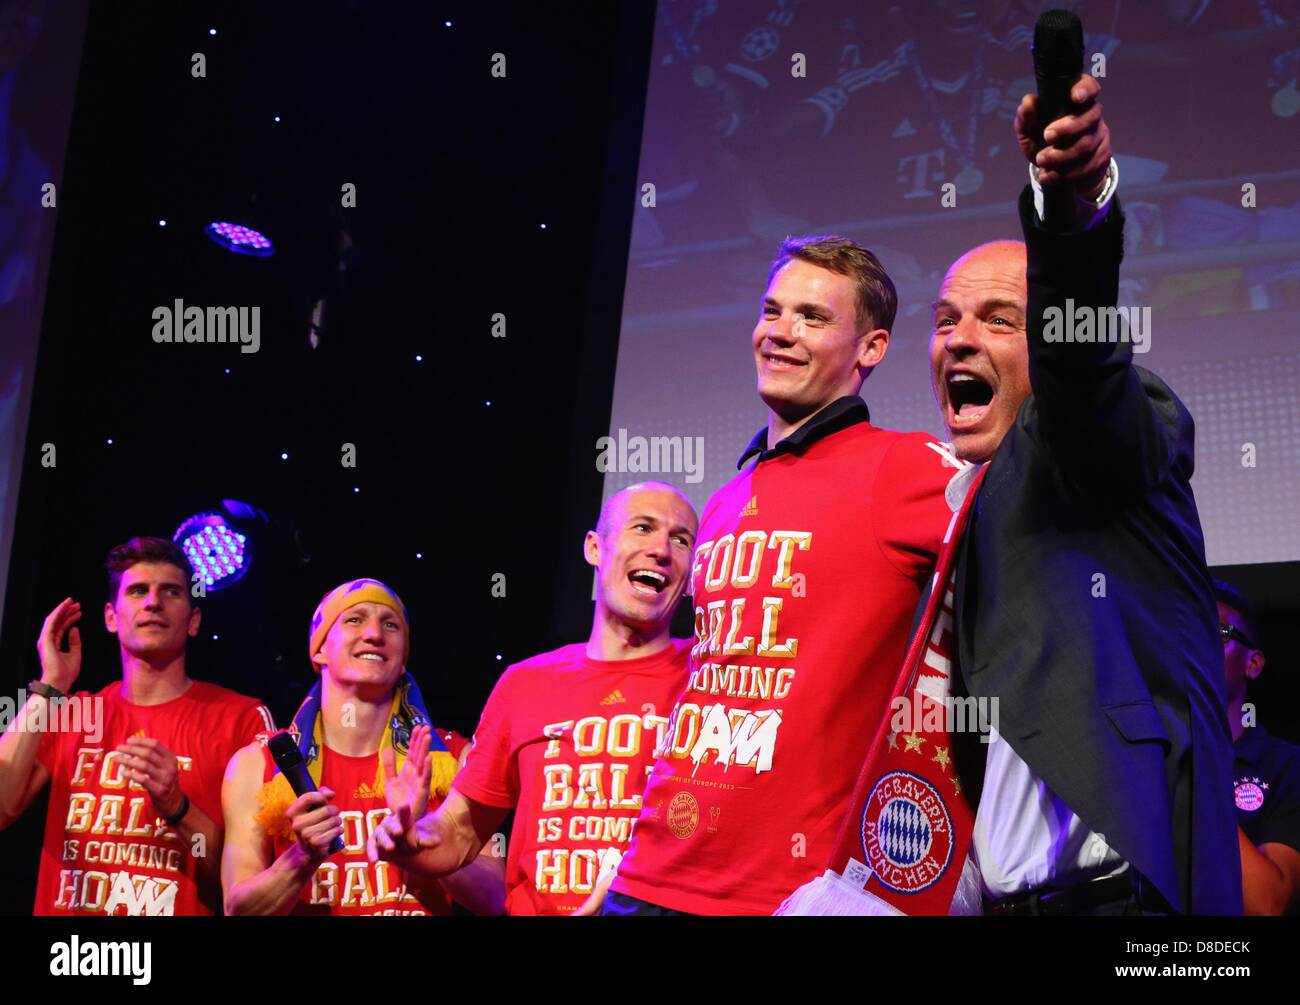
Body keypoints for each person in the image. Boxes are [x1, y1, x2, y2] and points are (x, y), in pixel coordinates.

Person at [924, 72, 1241, 914]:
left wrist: (1071, 219)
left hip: (1132, 900)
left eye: (999, 318)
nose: (960, 337)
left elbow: (1083, 372)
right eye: (945, 319)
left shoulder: (1109, 424)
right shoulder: (965, 499)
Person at [582, 230, 960, 914]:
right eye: (772, 310)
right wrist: (620, 871)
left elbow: (1034, 539)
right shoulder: (728, 498)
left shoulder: (902, 466)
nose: (780, 332)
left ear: (870, 349)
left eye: (812, 317)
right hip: (647, 876)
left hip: (783, 890)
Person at [367, 482, 699, 915]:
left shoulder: (710, 676)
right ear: (595, 549)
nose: (661, 549)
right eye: (643, 528)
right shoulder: (525, 683)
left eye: (681, 539)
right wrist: (414, 839)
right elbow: (461, 828)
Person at [0, 536, 275, 915]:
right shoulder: (75, 712)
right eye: (138, 591)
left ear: (194, 621)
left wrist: (177, 808)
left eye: (171, 592)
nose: (152, 602)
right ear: (111, 618)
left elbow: (253, 887)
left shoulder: (240, 719)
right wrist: (52, 685)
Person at [220, 577, 503, 915]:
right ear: (320, 648)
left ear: (404, 656)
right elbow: (239, 909)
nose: (374, 634)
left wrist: (425, 844)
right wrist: (302, 857)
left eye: (391, 624)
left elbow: (495, 898)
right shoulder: (257, 766)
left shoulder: (454, 759)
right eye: (355, 619)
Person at [1215, 578, 1300, 915]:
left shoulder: (1285, 766)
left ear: (1253, 663)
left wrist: (1196, 770)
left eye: (1219, 634)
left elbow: (1266, 903)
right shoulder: (1146, 756)